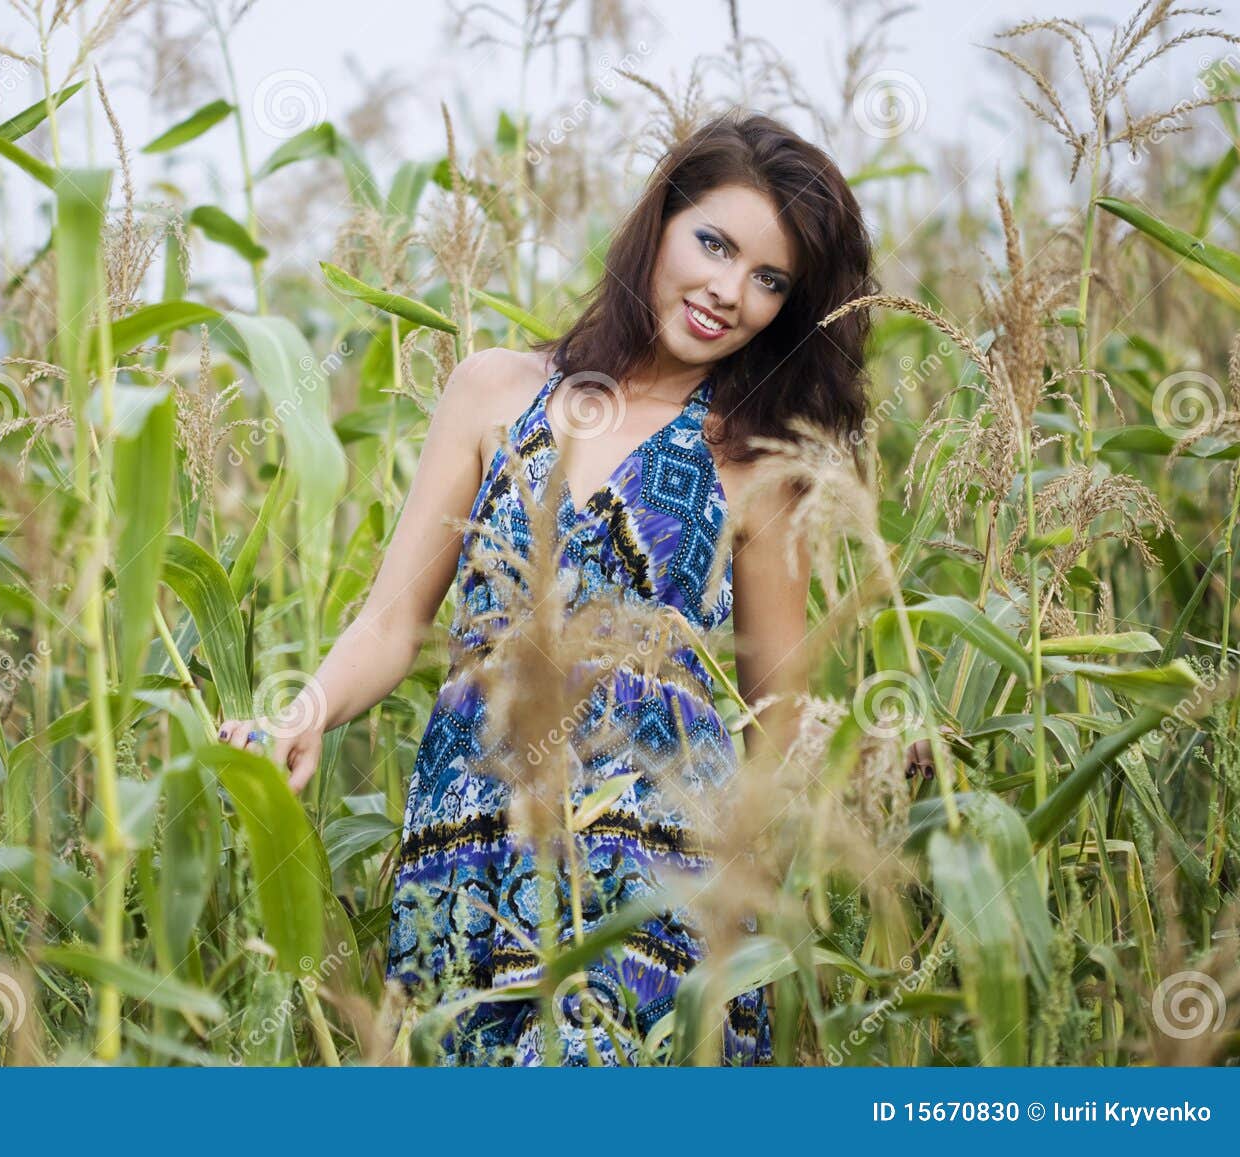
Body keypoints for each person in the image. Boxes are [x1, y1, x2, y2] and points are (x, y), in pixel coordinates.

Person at [216, 109, 880, 1065]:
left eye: (770, 279)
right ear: (660, 222)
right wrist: (304, 714)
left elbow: (779, 713)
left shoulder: (759, 460)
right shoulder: (494, 390)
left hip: (658, 883)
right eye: (715, 244)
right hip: (471, 849)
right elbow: (394, 618)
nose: (729, 292)